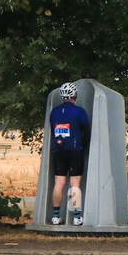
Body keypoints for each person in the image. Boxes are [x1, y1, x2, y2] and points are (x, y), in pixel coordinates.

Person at [48, 83, 91, 226]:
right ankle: (77, 217)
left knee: (59, 183)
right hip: (75, 151)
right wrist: (83, 147)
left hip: (58, 151)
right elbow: (86, 131)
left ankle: (55, 216)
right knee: (75, 184)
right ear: (75, 95)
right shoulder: (80, 112)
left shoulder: (54, 112)